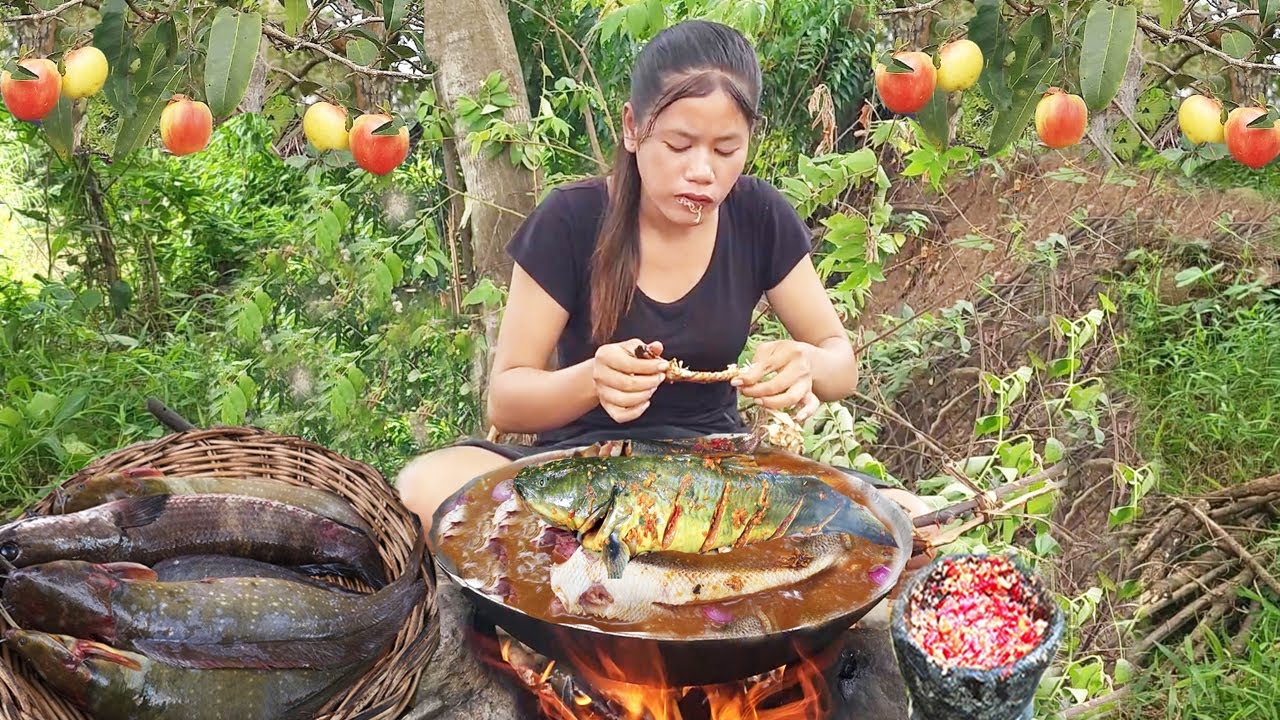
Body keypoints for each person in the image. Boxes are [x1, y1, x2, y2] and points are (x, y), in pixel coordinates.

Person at [396, 19, 935, 570]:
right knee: (422, 486)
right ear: (634, 128)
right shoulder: (570, 219)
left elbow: (840, 364)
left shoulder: (759, 215)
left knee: (915, 520)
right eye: (679, 145)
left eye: (726, 150)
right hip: (584, 471)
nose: (702, 172)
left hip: (717, 473)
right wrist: (592, 382)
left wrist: (808, 362)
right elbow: (506, 399)